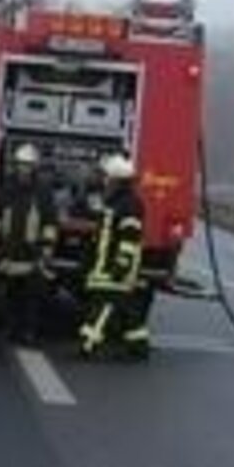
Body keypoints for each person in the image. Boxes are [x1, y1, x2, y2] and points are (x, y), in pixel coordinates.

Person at [77, 153, 149, 362]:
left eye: (108, 178)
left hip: (114, 270)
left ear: (118, 181)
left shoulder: (130, 205)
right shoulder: (114, 202)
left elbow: (129, 239)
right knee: (128, 310)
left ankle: (88, 343)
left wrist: (121, 266)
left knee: (104, 306)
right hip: (106, 266)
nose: (105, 181)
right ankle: (139, 346)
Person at [0, 143, 58, 346]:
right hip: (9, 251)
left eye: (28, 165)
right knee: (8, 296)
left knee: (32, 298)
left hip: (31, 253)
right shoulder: (6, 189)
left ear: (34, 167)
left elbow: (49, 222)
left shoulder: (42, 192)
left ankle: (29, 332)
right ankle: (11, 329)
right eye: (21, 164)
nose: (24, 169)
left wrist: (47, 249)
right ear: (15, 165)